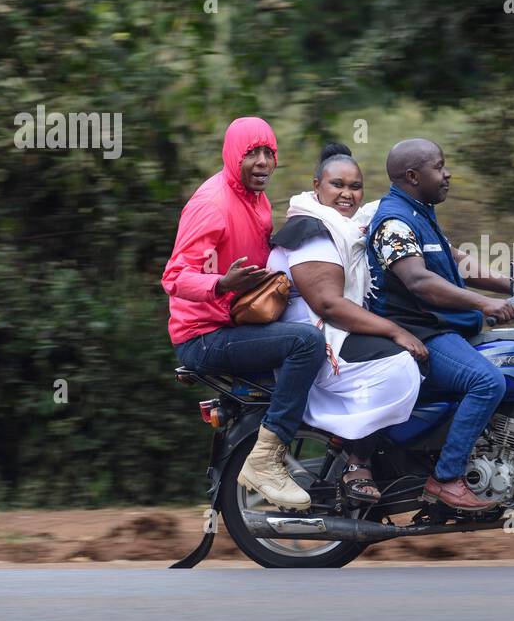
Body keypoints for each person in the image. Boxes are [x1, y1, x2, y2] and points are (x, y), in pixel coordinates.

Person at [162, 117, 324, 510]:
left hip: (235, 321)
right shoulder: (211, 205)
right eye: (252, 153)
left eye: (269, 152)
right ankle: (266, 461)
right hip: (203, 337)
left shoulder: (258, 200)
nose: (263, 161)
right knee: (307, 343)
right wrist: (220, 284)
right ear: (234, 155)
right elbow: (174, 276)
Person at [366, 138, 514, 511]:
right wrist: (486, 303)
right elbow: (420, 282)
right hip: (419, 332)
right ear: (413, 175)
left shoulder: (419, 212)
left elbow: (455, 262)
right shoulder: (394, 222)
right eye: (439, 166)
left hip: (442, 327)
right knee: (486, 381)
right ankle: (447, 479)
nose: (447, 173)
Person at [267, 144, 427, 502]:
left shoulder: (347, 227)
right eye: (337, 184)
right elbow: (329, 305)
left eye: (355, 186)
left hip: (331, 334)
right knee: (399, 363)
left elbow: (397, 222)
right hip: (318, 342)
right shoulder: (311, 231)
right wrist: (395, 331)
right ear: (317, 186)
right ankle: (358, 461)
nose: (346, 193)